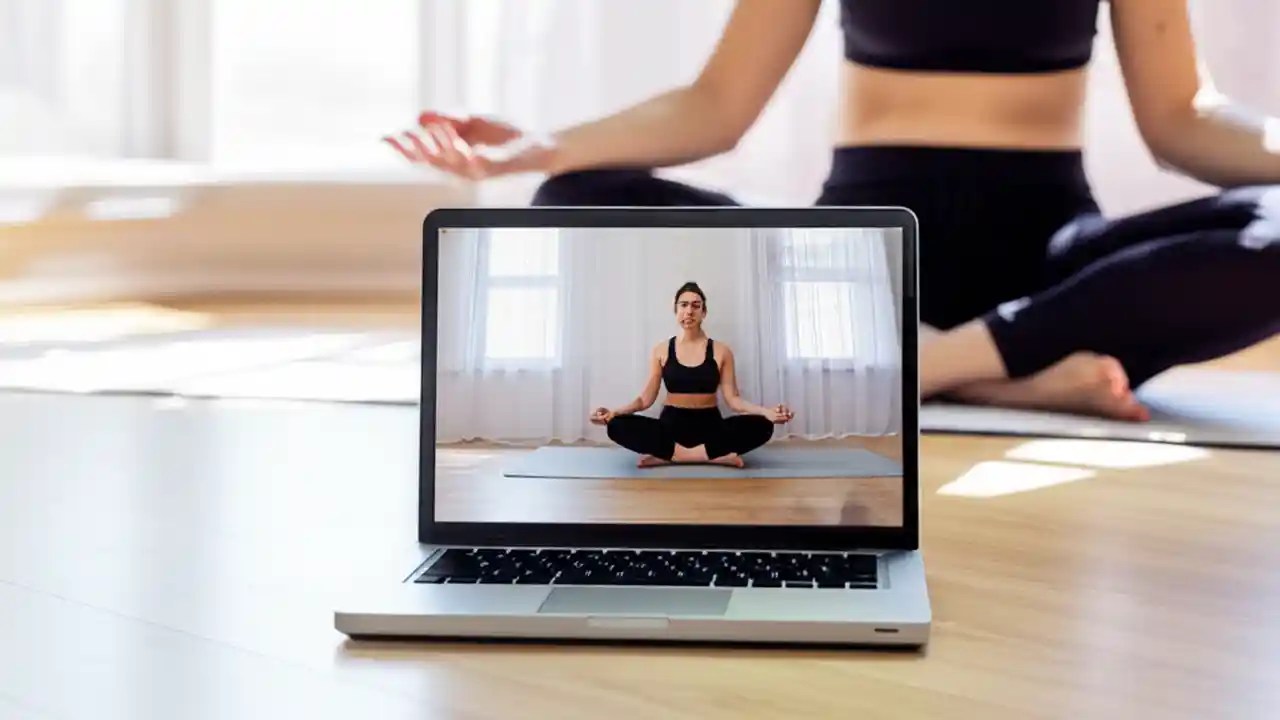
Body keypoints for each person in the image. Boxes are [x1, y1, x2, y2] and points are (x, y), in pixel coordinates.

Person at [386, 0, 1280, 422]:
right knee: (574, 197)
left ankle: (914, 364)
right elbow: (718, 105)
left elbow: (1181, 121)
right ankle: (982, 371)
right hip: (858, 262)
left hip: (1049, 259)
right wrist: (548, 146)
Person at [585, 282, 793, 468]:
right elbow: (644, 399)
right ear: (675, 310)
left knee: (763, 426)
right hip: (671, 426)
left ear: (704, 312)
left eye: (696, 305)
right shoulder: (661, 350)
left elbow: (734, 400)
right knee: (616, 426)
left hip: (711, 426)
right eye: (683, 305)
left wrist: (767, 413)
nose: (689, 311)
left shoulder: (722, 351)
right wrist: (613, 412)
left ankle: (671, 455)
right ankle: (711, 456)